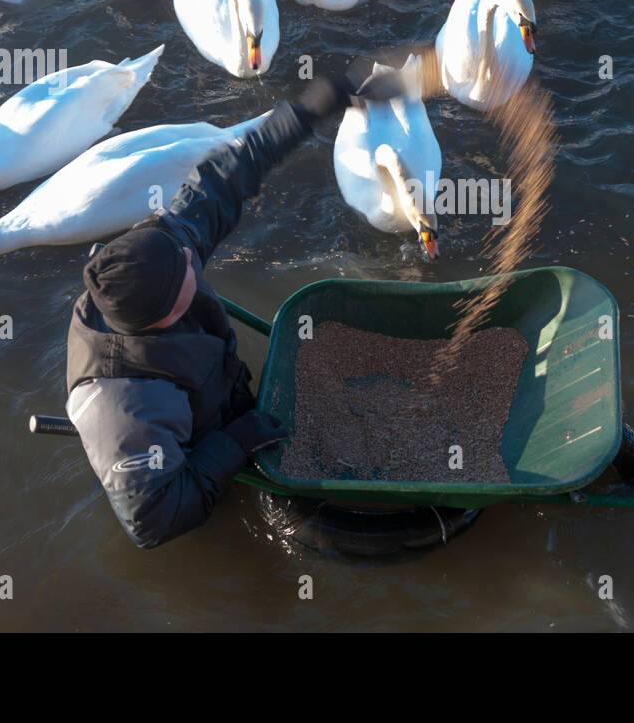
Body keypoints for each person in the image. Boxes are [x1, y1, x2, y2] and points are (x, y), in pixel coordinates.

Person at [65, 71, 392, 548]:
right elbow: (155, 520)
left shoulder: (157, 253)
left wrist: (306, 110)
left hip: (205, 383)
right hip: (187, 441)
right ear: (162, 316)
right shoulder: (125, 407)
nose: (191, 253)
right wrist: (232, 445)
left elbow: (225, 176)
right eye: (185, 271)